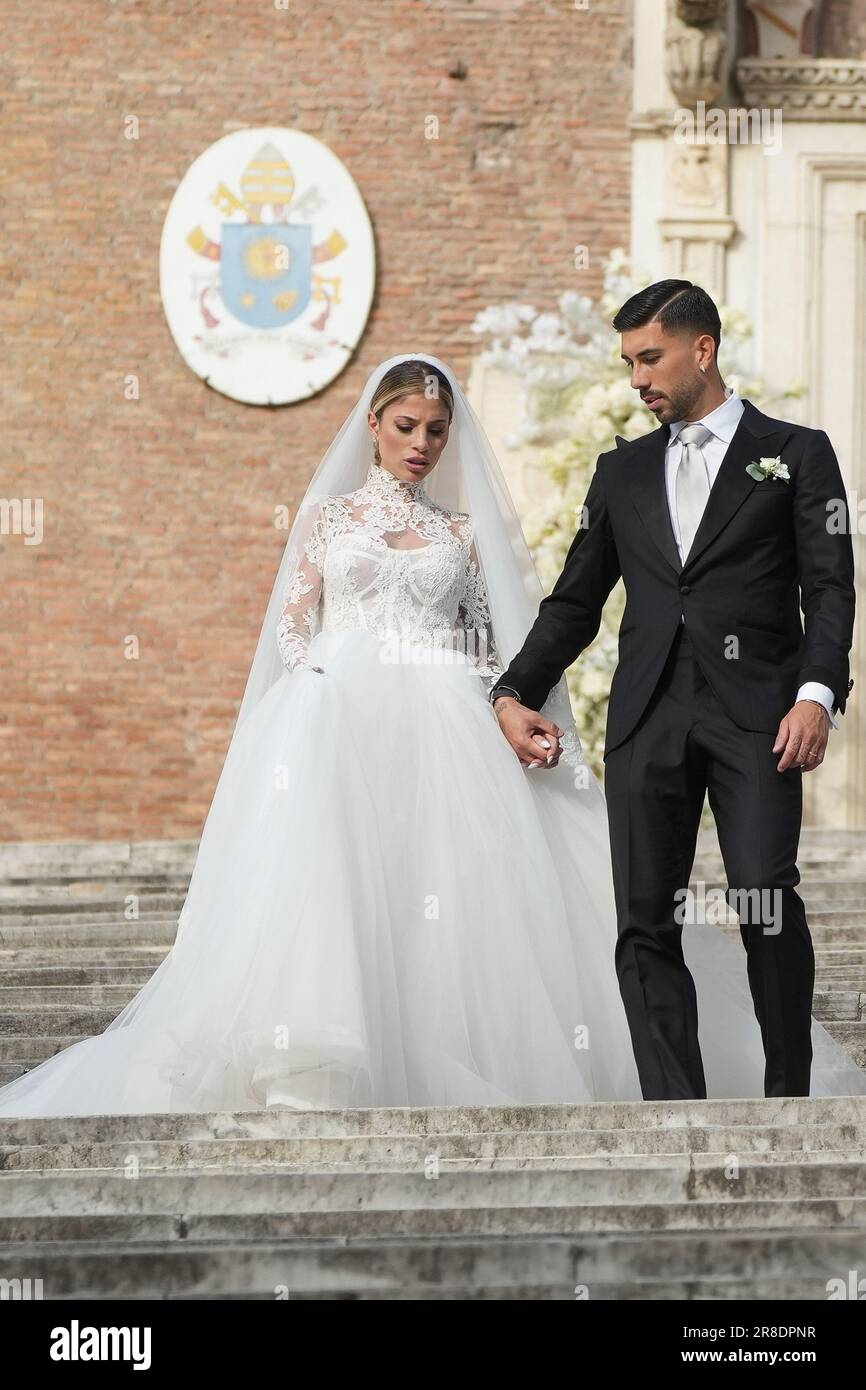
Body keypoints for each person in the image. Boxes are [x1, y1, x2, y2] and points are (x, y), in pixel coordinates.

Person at [0, 353, 861, 1119]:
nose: (421, 443)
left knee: (487, 897)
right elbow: (293, 631)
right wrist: (326, 689)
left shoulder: (460, 535)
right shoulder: (330, 521)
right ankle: (320, 1059)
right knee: (343, 889)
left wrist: (509, 699)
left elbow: (501, 640)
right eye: (406, 426)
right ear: (372, 425)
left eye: (437, 431)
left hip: (454, 720)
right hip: (338, 715)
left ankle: (754, 1092)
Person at [490, 282, 864, 1101]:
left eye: (649, 357)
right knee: (643, 917)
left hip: (760, 715)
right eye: (628, 362)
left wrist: (816, 693)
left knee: (764, 891)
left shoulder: (798, 453)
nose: (636, 380)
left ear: (703, 349)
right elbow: (576, 600)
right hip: (648, 713)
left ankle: (788, 1099)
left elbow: (831, 588)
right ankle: (676, 1113)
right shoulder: (620, 470)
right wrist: (513, 690)